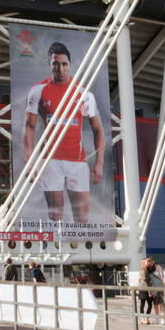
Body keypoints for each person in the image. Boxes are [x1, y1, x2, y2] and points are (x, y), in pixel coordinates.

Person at [22, 41, 106, 225]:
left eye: (64, 64)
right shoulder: (38, 91)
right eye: (55, 64)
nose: (60, 68)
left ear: (70, 65)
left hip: (77, 161)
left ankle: (81, 253)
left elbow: (98, 129)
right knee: (55, 216)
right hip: (50, 161)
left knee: (82, 218)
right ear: (49, 64)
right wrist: (29, 160)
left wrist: (99, 163)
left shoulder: (84, 94)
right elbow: (29, 126)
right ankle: (56, 252)